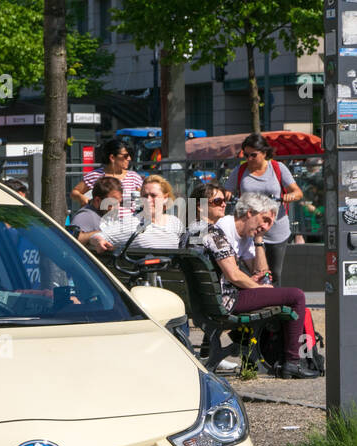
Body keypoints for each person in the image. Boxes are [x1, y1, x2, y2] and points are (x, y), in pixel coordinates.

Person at [201, 192, 317, 379]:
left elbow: (262, 275)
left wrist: (259, 240)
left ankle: (280, 358)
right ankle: (293, 362)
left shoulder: (244, 234)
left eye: (270, 223)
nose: (266, 226)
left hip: (218, 297)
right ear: (249, 212)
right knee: (296, 296)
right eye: (264, 220)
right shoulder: (223, 229)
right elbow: (234, 275)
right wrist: (258, 288)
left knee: (282, 294)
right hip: (228, 299)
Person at [226, 133, 303, 282]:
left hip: (275, 230)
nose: (249, 159)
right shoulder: (240, 170)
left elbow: (298, 192)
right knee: (253, 272)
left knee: (274, 273)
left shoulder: (277, 168)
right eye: (245, 155)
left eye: (253, 155)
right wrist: (227, 195)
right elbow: (227, 191)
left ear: (264, 153)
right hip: (250, 229)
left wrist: (289, 196)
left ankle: (275, 303)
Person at [70, 138, 143, 215]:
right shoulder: (95, 175)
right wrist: (81, 198)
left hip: (128, 224)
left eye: (130, 155)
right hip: (102, 223)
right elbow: (74, 193)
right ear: (112, 158)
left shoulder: (134, 178)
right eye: (126, 156)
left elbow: (141, 203)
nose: (129, 158)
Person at [70, 175, 127, 254]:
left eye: (120, 202)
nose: (117, 207)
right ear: (97, 200)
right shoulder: (86, 215)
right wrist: (102, 234)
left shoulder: (105, 213)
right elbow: (72, 239)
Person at [131, 174, 184, 249]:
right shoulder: (131, 223)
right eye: (145, 196)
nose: (148, 200)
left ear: (165, 198)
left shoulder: (175, 223)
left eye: (153, 195)